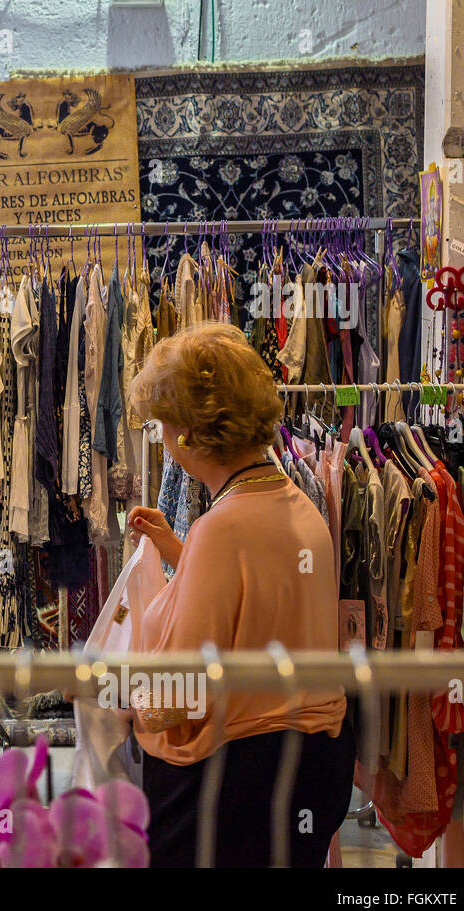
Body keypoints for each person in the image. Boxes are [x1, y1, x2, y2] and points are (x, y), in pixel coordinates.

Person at [123, 323, 354, 867]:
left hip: (238, 785)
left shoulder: (223, 529)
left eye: (162, 426)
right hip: (312, 766)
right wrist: (178, 551)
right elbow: (260, 600)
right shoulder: (295, 505)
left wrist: (123, 699)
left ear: (187, 433)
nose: (162, 440)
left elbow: (173, 697)